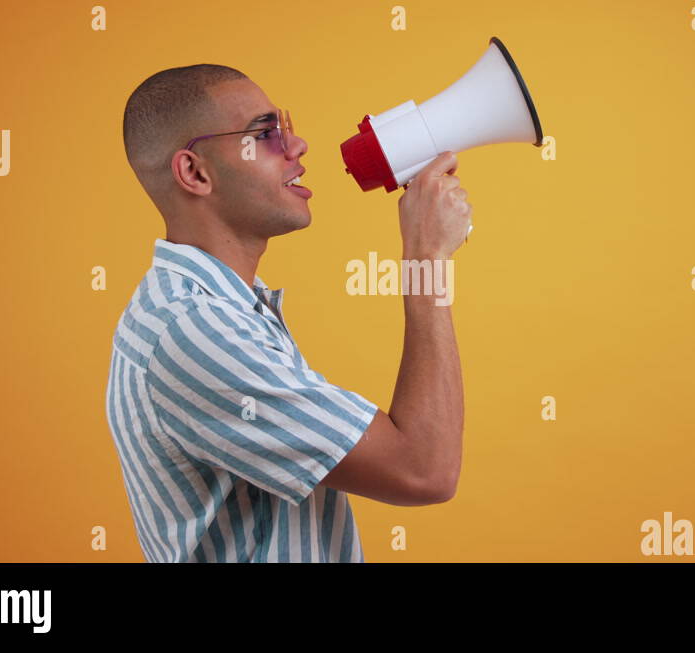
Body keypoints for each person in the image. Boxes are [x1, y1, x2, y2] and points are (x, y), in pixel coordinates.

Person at [106, 64, 471, 562]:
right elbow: (424, 470)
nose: (297, 147)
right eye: (265, 133)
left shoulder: (220, 307)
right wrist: (426, 259)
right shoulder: (193, 329)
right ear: (194, 172)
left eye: (286, 127)